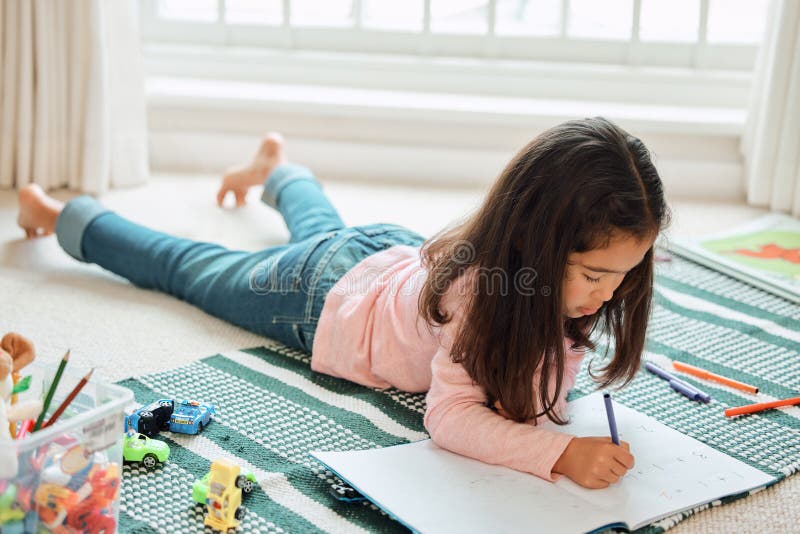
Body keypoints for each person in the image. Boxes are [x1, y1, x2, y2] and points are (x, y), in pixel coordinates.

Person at [17, 117, 669, 489]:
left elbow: (541, 386)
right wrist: (555, 453)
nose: (610, 294)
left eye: (626, 275)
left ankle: (276, 169)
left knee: (323, 225)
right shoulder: (481, 297)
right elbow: (450, 418)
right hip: (320, 296)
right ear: (535, 241)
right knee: (189, 268)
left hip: (385, 255)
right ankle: (59, 215)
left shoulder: (541, 279)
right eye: (596, 273)